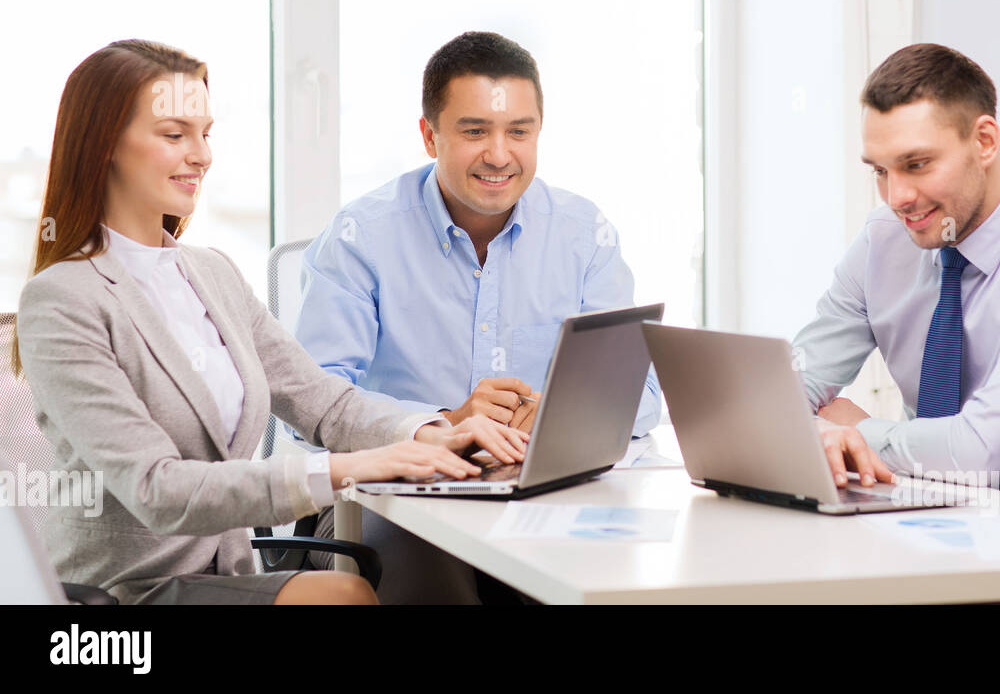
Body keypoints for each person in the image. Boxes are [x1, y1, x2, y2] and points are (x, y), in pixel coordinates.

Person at [13, 40, 526, 604]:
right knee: (344, 598)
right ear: (104, 142)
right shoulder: (62, 299)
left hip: (227, 575)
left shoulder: (211, 275)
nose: (202, 155)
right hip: (124, 595)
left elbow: (324, 403)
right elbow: (156, 488)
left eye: (205, 133)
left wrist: (435, 434)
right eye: (174, 134)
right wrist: (351, 468)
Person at [292, 31, 661, 602]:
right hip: (386, 495)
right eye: (474, 131)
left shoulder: (584, 234)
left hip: (541, 492)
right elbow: (312, 400)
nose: (498, 154)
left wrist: (562, 415)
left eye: (519, 131)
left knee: (627, 570)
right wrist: (442, 422)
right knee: (441, 573)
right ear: (428, 135)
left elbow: (644, 391)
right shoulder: (361, 237)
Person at [794, 43, 1000, 501]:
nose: (897, 197)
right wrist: (817, 431)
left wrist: (860, 431)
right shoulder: (883, 241)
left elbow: (985, 453)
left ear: (985, 141)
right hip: (919, 517)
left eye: (917, 165)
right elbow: (794, 386)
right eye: (880, 171)